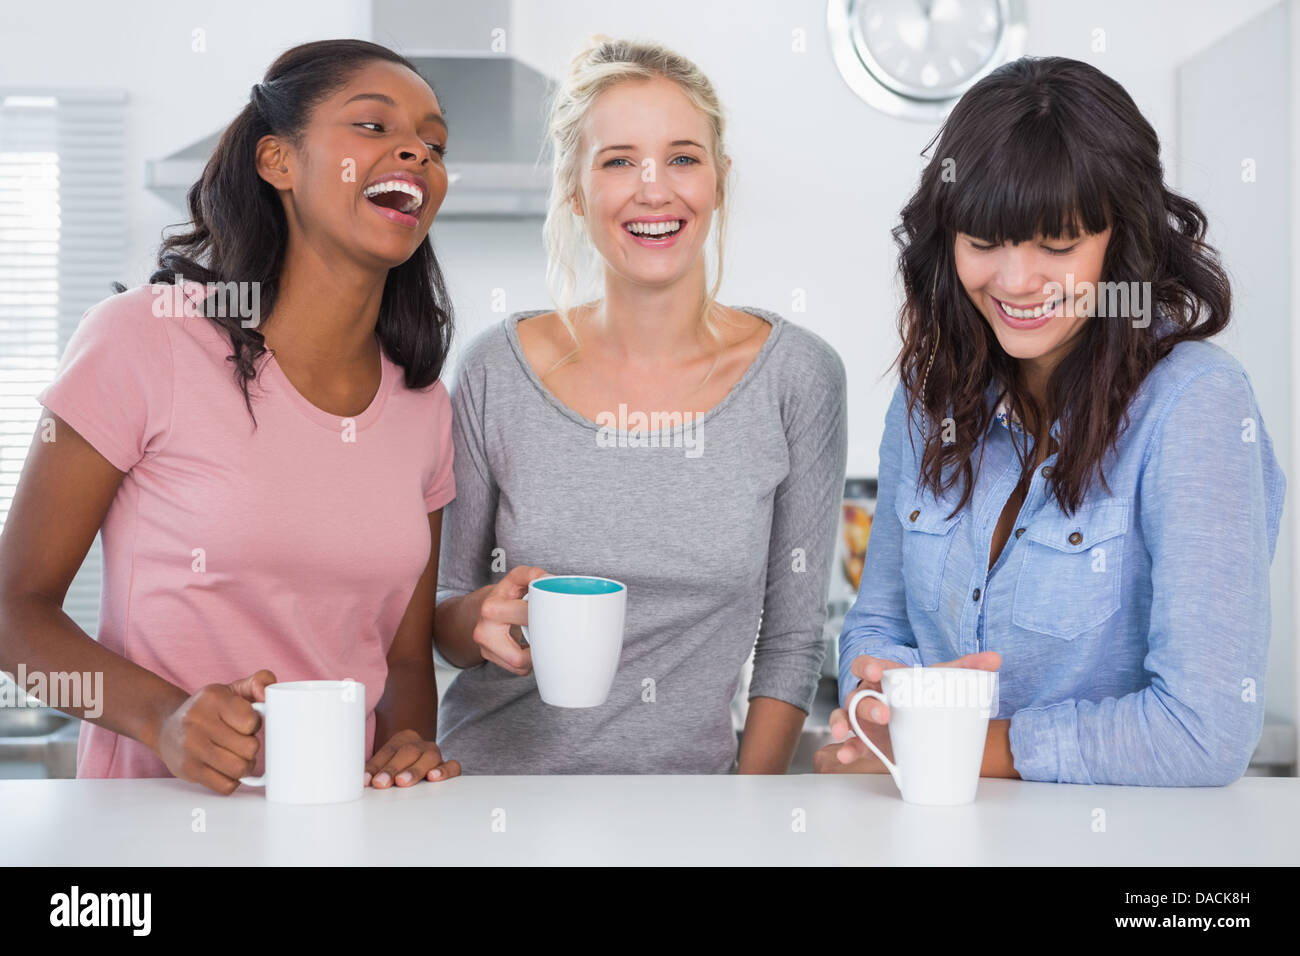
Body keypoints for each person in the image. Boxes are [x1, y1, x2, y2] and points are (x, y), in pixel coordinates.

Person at [0, 40, 462, 792]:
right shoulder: (144, 338)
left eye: (434, 144)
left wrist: (407, 746)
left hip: (346, 835)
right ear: (278, 162)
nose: (417, 150)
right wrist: (164, 718)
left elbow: (405, 662)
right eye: (374, 127)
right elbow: (14, 613)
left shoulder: (421, 403)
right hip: (154, 835)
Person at [820, 56, 1286, 786]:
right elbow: (879, 626)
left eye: (1058, 246)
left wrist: (955, 742)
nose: (1015, 282)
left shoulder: (1195, 405)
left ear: (1120, 242)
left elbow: (1205, 729)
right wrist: (878, 698)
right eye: (983, 242)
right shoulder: (928, 399)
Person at [433, 37, 848, 773]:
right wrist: (478, 618)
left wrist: (745, 812)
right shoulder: (495, 370)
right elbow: (446, 612)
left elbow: (790, 642)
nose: (654, 190)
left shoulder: (799, 377)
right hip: (489, 801)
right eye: (619, 160)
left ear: (719, 179)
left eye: (683, 158)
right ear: (574, 187)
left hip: (691, 815)